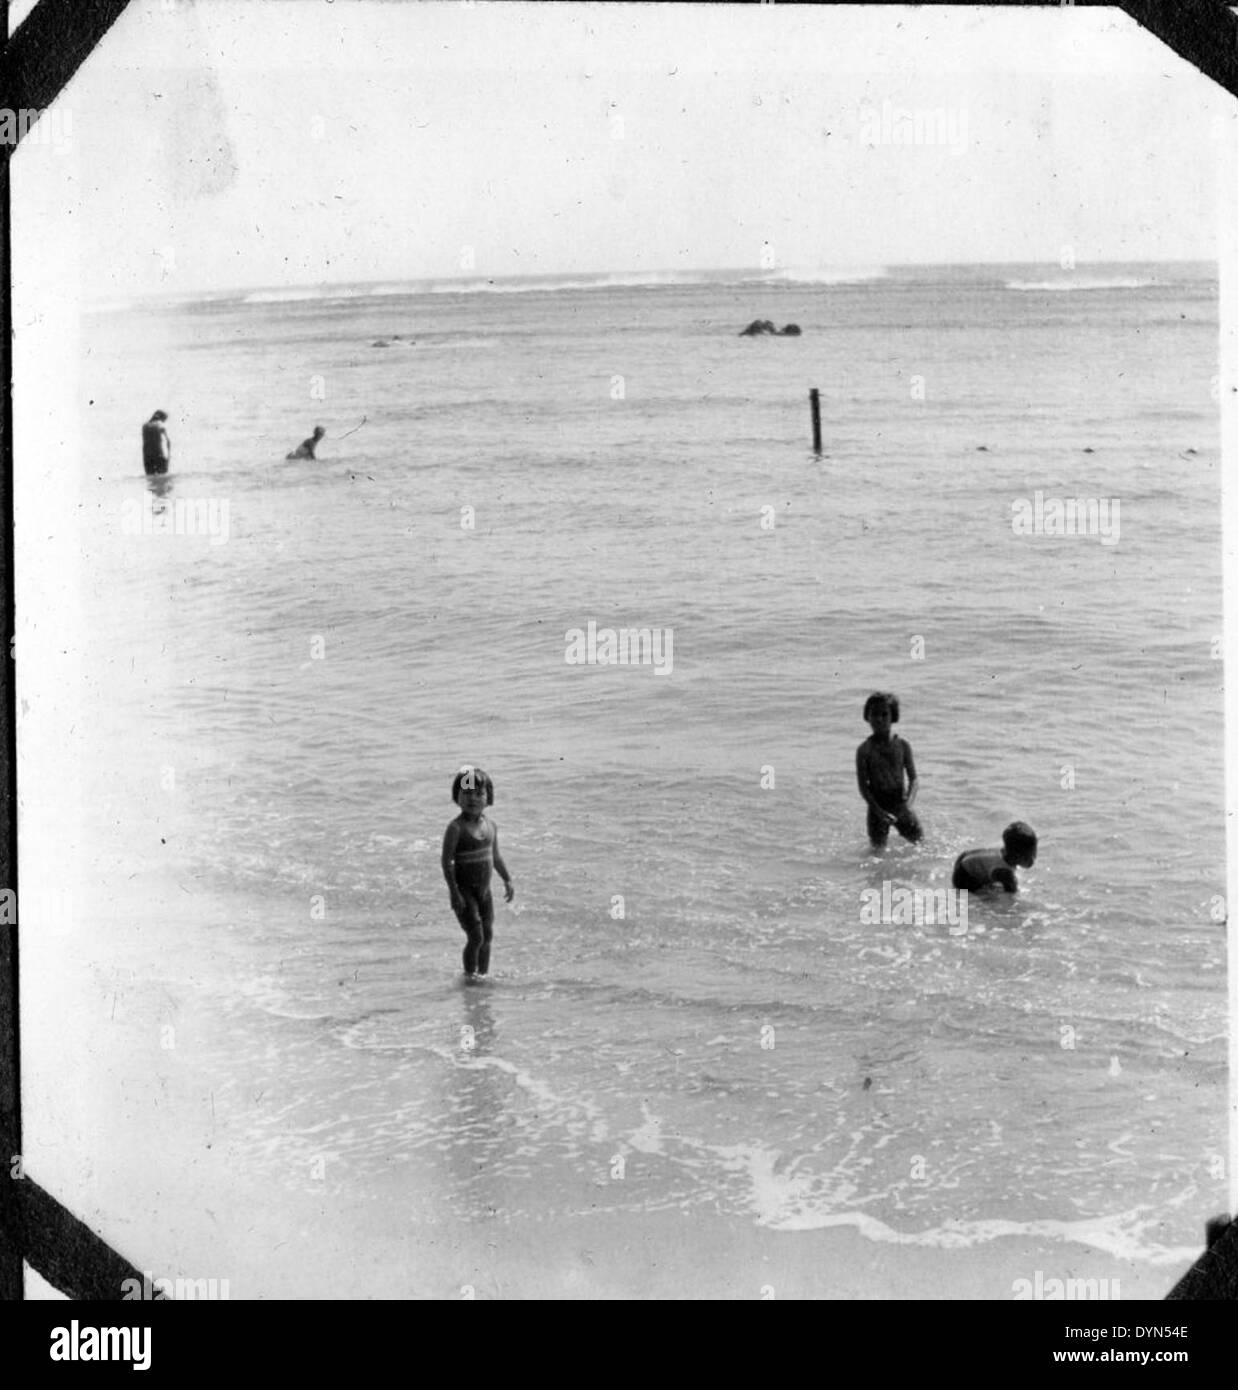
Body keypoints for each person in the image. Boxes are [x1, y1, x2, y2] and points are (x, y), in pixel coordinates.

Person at [441, 765, 514, 979]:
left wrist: (508, 880)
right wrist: (454, 893)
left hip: (484, 892)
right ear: (457, 797)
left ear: (488, 797)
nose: (473, 799)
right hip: (464, 892)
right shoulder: (456, 828)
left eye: (479, 793)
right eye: (467, 793)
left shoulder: (491, 826)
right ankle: (469, 977)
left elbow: (496, 857)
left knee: (488, 935)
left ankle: (483, 976)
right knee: (475, 937)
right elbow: (446, 862)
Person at [856, 691, 922, 847]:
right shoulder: (864, 750)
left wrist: (907, 806)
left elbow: (914, 779)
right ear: (867, 717)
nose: (879, 719)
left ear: (893, 717)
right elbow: (863, 788)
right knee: (877, 855)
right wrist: (879, 811)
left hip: (900, 803)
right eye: (874, 714)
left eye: (884, 714)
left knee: (920, 844)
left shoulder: (902, 745)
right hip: (876, 807)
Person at [952, 822, 1037, 893]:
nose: (1033, 859)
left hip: (964, 859)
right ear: (1017, 856)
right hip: (964, 877)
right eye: (1029, 856)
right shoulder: (1005, 872)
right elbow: (1012, 895)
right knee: (989, 896)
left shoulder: (1005, 853)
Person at [142, 410, 170, 475]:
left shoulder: (144, 426)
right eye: (164, 420)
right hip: (159, 454)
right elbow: (168, 442)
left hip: (147, 456)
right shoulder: (160, 425)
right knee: (163, 477)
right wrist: (169, 457)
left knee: (150, 478)